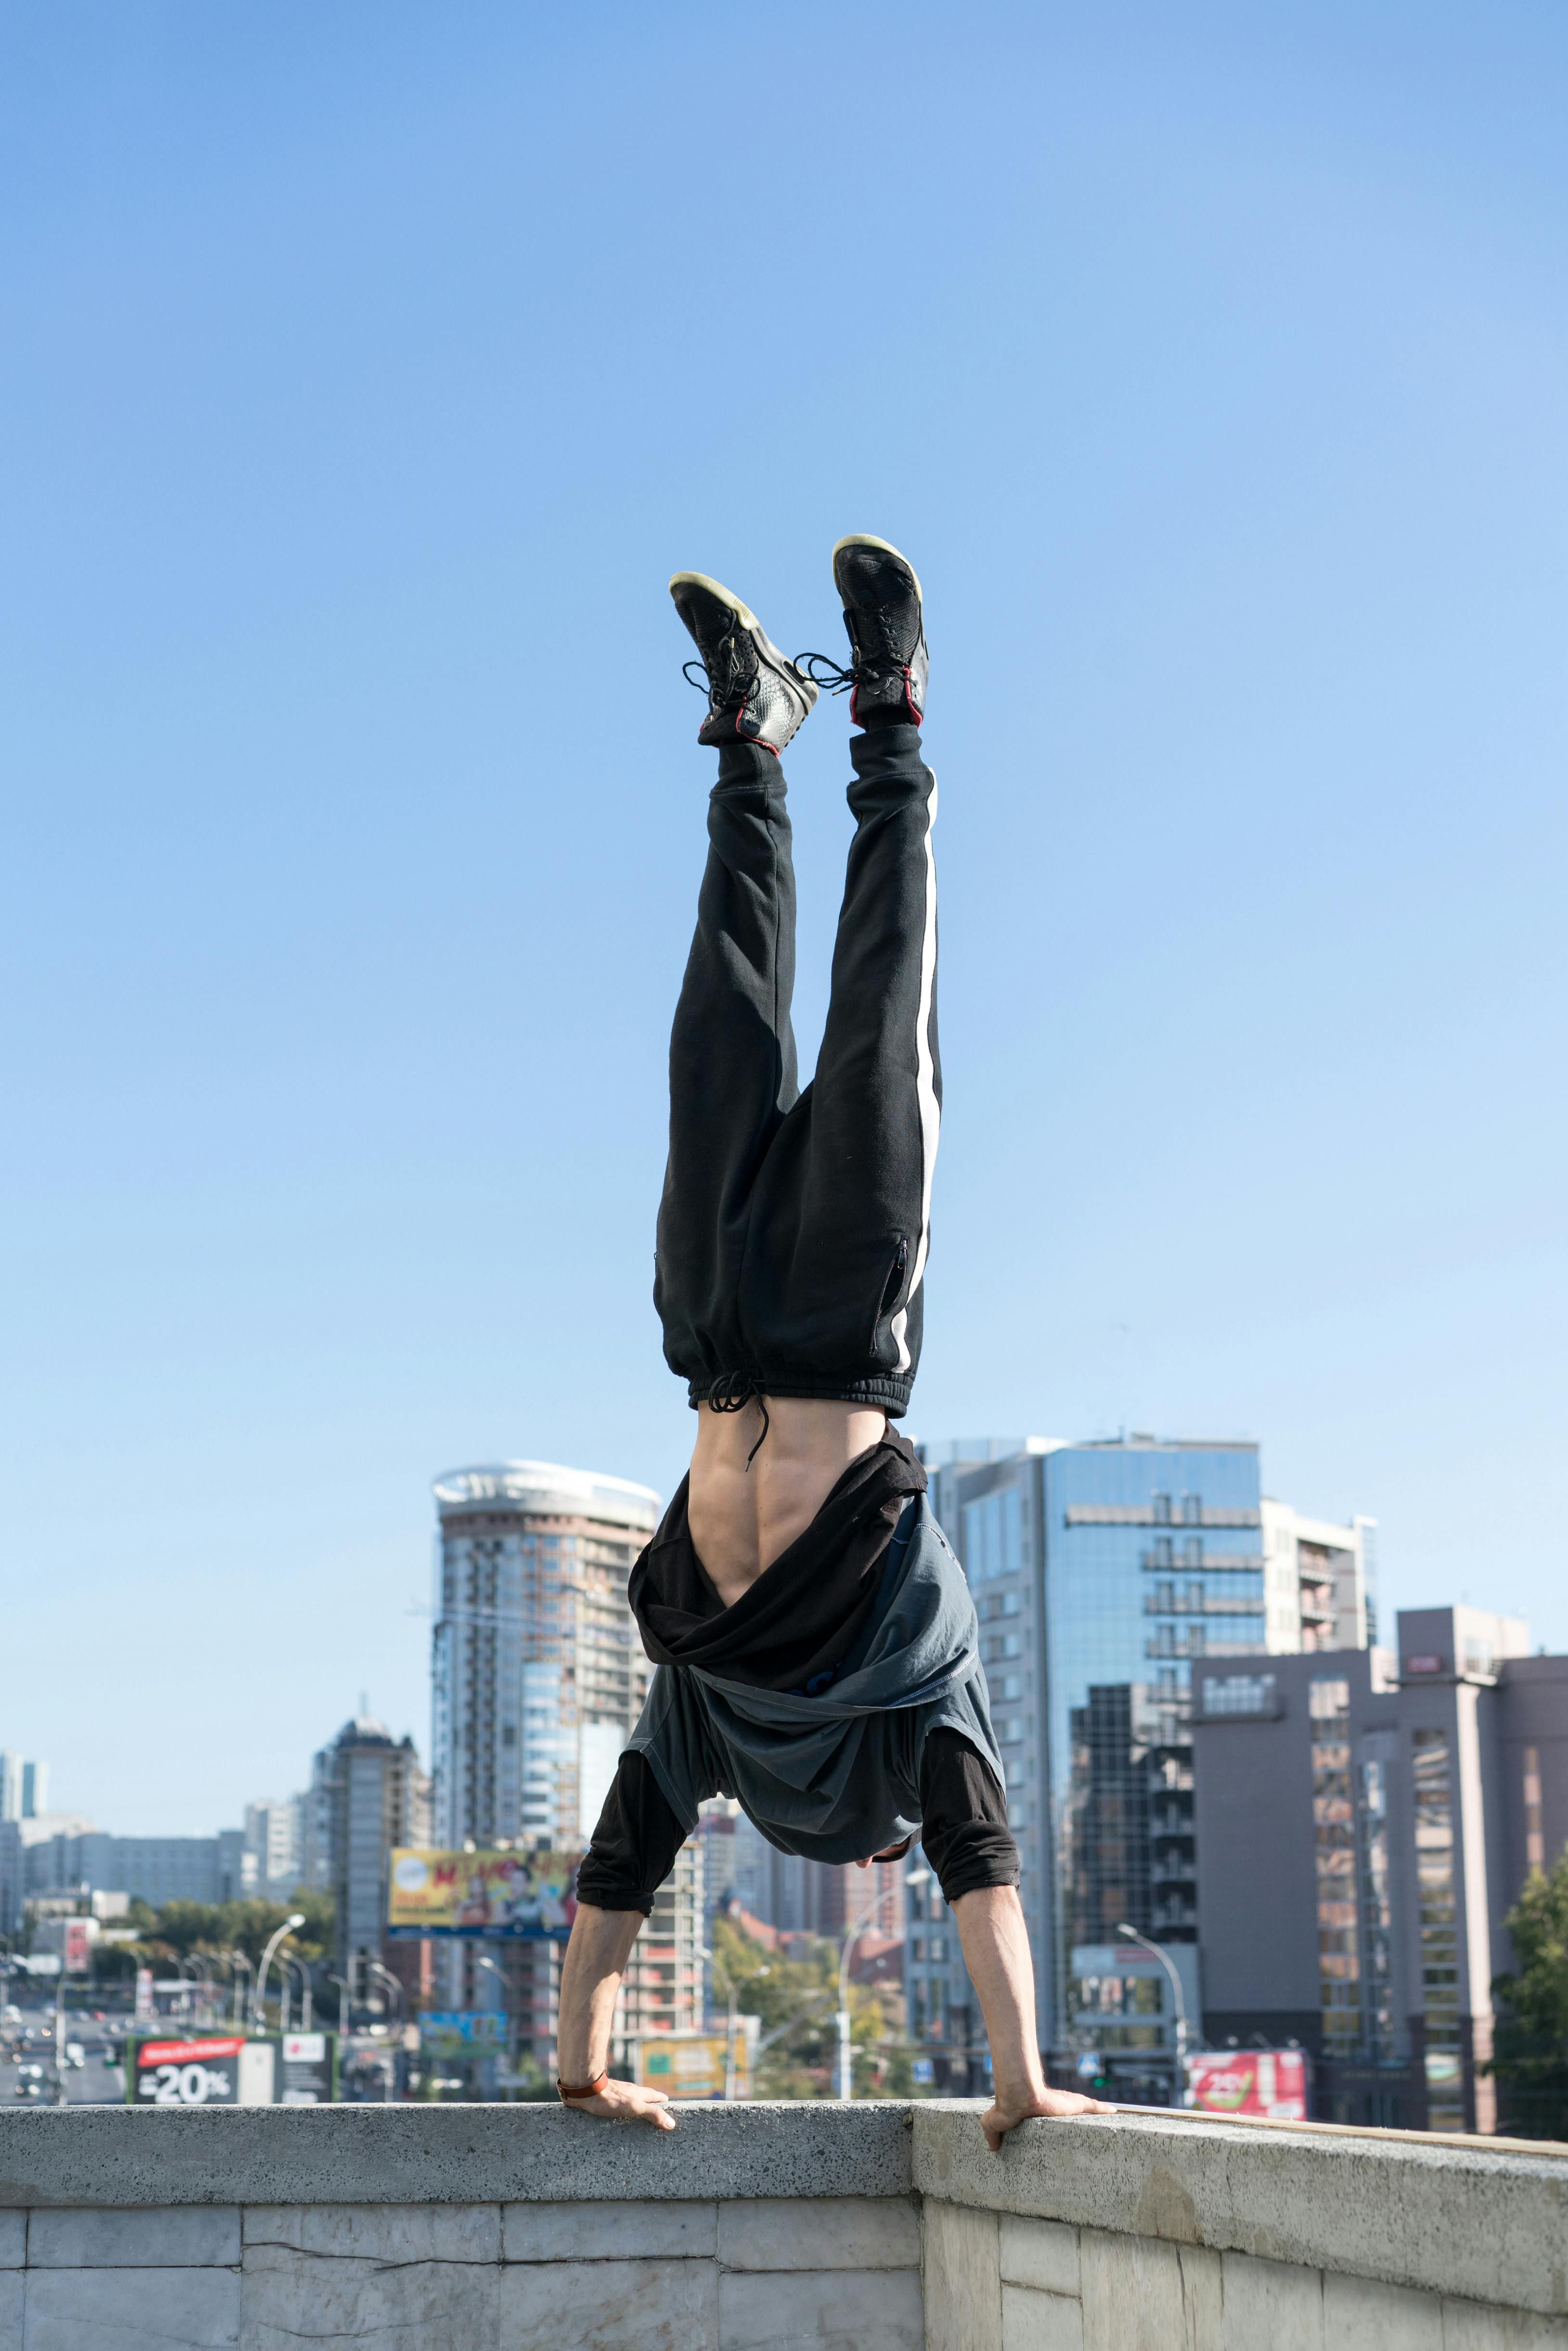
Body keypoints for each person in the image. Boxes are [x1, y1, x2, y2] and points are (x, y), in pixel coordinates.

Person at [553, 538, 1108, 2150]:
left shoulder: (706, 1719)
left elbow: (612, 1872)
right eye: (881, 1846)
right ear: (871, 1832)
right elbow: (982, 1873)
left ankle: (752, 737)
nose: (875, 1845)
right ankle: (893, 715)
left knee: (716, 1013)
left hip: (712, 1337)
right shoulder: (914, 1697)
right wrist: (1018, 2079)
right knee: (883, 1005)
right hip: (845, 1332)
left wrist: (581, 2062)